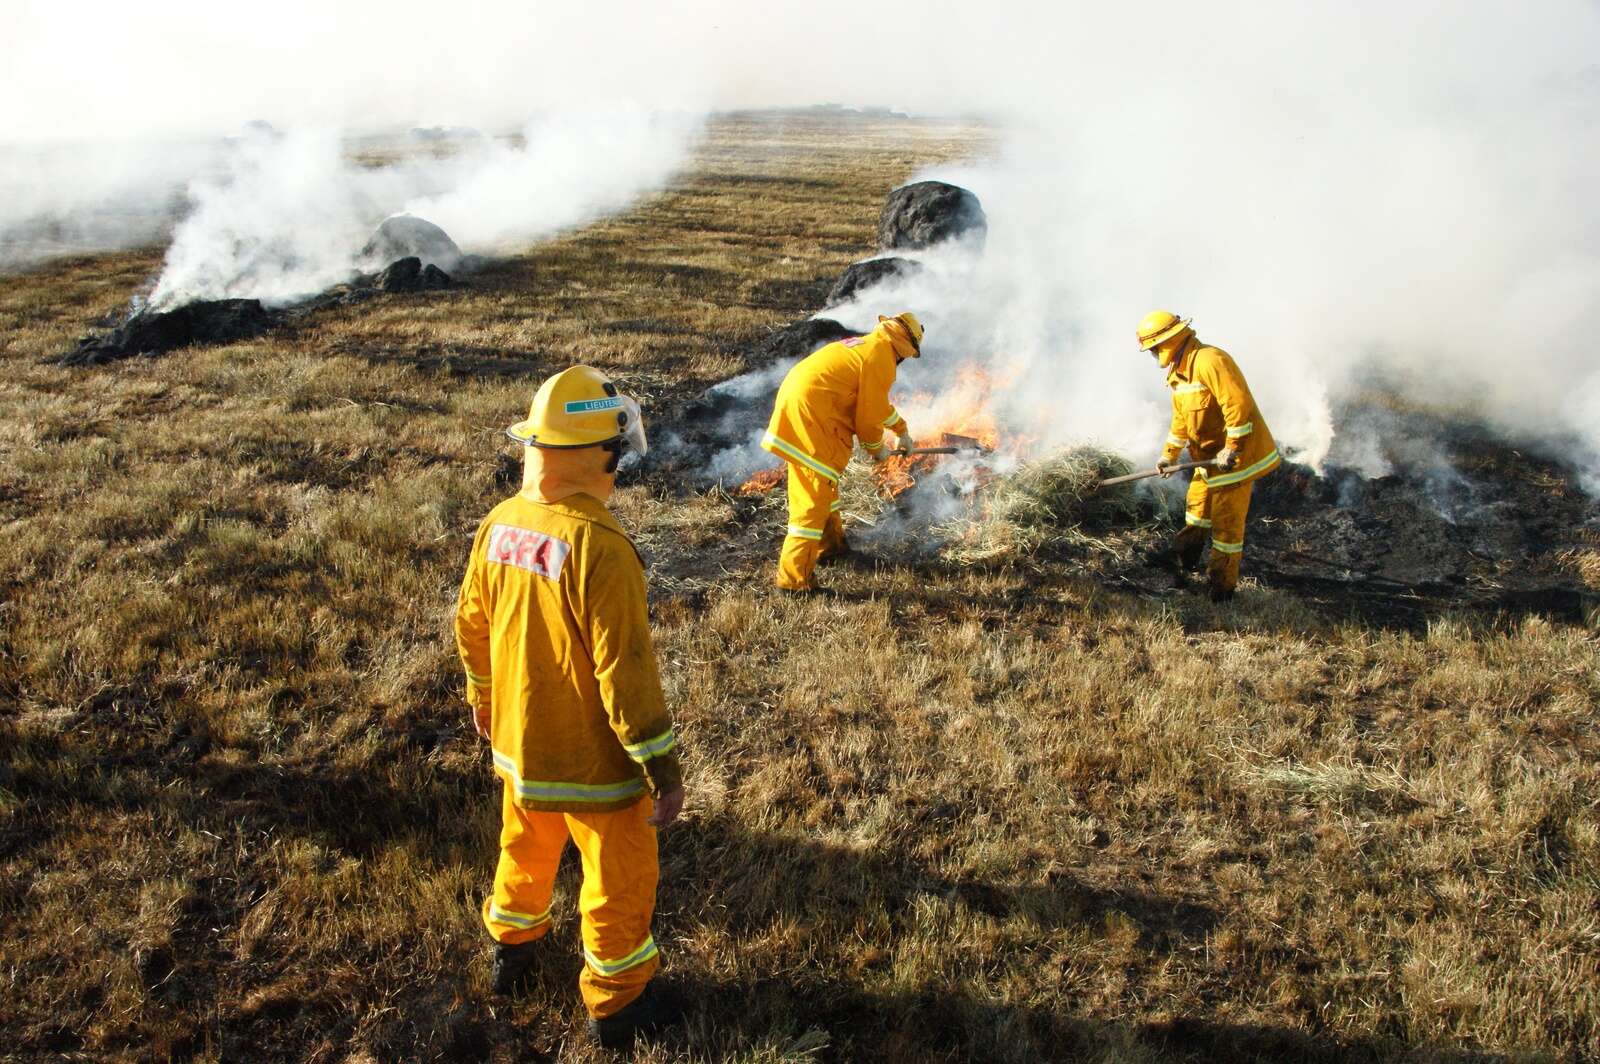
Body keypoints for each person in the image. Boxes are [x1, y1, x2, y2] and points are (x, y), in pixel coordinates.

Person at [454, 365, 685, 1050]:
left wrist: (486, 699)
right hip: (595, 763)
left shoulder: (500, 523)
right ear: (600, 455)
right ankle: (617, 1005)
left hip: (522, 743)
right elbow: (626, 674)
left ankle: (511, 952)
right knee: (619, 875)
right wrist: (661, 768)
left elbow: (471, 623)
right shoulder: (602, 547)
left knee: (524, 846)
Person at [760, 312, 924, 591]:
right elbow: (868, 418)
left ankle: (832, 546)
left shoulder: (869, 346)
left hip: (805, 408)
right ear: (905, 349)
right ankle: (793, 583)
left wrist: (902, 430)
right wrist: (877, 450)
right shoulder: (881, 358)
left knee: (824, 487)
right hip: (812, 418)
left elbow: (875, 402)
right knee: (810, 505)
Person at [1138, 309, 1281, 602]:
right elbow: (1181, 422)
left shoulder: (1210, 361)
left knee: (1226, 526)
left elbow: (1237, 405)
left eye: (1153, 349)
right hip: (1208, 458)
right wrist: (1169, 455)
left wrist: (1233, 447)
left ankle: (1221, 589)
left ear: (1167, 341)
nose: (1153, 355)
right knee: (1197, 509)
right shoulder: (1178, 374)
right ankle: (1185, 562)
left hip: (1235, 461)